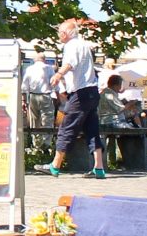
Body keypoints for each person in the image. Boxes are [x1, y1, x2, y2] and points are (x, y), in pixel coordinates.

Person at [40, 17, 105, 179]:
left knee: (67, 126)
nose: (58, 35)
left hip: (81, 93)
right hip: (92, 91)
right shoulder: (84, 45)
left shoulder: (71, 46)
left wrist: (58, 74)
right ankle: (99, 168)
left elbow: (70, 63)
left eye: (60, 32)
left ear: (66, 33)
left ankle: (55, 166)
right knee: (92, 129)